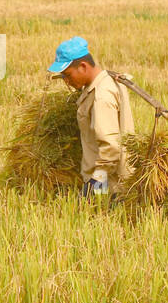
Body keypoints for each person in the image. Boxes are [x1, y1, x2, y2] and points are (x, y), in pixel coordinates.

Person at [46, 36, 134, 199]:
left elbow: (110, 147)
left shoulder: (101, 96)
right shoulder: (106, 81)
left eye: (67, 75)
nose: (66, 81)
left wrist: (94, 185)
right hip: (108, 179)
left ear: (83, 66)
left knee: (100, 219)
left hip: (109, 185)